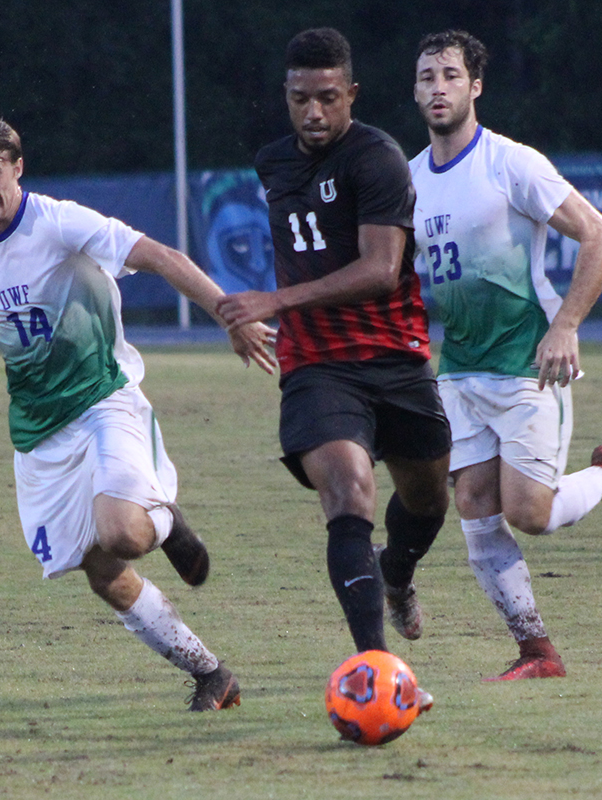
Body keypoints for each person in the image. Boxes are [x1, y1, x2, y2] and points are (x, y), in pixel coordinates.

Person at [0, 110, 277, 711]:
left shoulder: (60, 222)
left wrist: (228, 315)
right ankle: (210, 673)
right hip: (39, 431)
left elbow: (161, 255)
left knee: (123, 533)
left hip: (102, 399)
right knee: (98, 568)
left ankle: (166, 523)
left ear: (17, 168)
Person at [405, 30, 602, 681]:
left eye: (451, 76)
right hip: (458, 371)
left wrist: (567, 324)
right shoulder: (407, 181)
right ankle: (536, 652)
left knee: (530, 513)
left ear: (475, 86)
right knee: (474, 508)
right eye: (427, 77)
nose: (438, 88)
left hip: (528, 361)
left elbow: (601, 236)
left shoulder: (512, 163)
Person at [216, 28, 451, 663]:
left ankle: (395, 574)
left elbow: (379, 270)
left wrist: (271, 301)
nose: (313, 112)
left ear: (350, 94)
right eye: (300, 99)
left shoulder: (377, 158)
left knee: (429, 500)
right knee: (349, 491)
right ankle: (374, 662)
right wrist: (247, 316)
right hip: (317, 365)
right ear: (286, 96)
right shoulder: (274, 162)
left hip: (396, 354)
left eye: (326, 97)